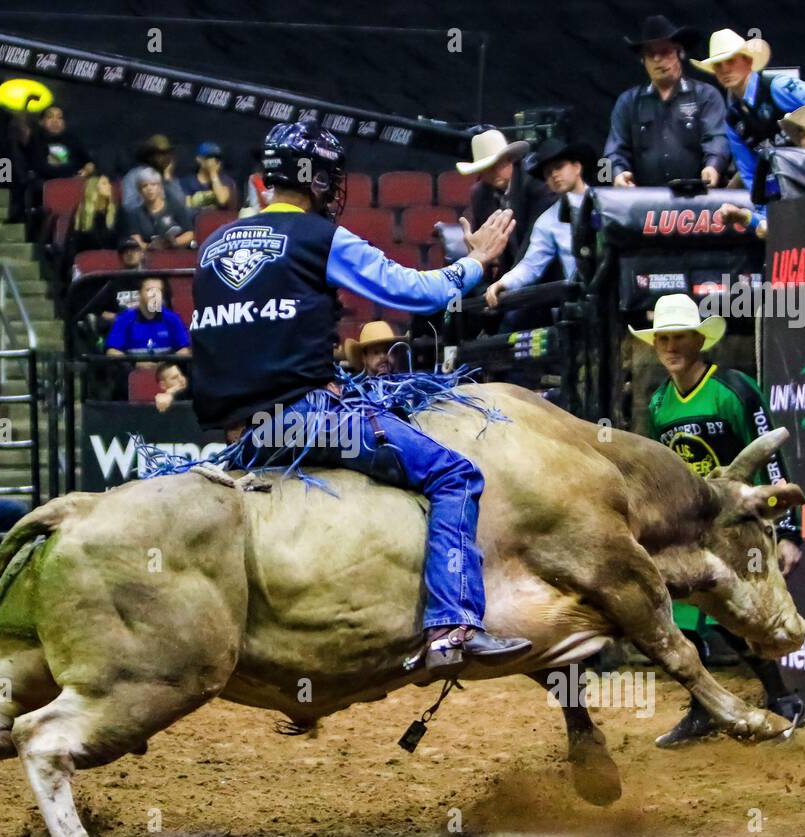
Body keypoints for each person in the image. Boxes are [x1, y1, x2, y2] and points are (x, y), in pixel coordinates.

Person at [190, 119, 530, 676]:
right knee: (456, 476)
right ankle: (451, 628)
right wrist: (475, 263)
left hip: (237, 437)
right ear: (318, 179)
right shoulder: (317, 237)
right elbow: (409, 289)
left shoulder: (213, 244)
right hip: (305, 420)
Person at [628, 294, 805, 745]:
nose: (670, 347)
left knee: (736, 616)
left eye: (679, 338)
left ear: (698, 340)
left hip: (738, 525)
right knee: (687, 620)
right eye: (663, 339)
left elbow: (769, 456)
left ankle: (782, 699)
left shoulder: (733, 389)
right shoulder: (660, 403)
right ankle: (706, 707)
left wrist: (786, 532)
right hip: (691, 530)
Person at [605, 15, 729, 188]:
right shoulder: (628, 102)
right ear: (643, 61)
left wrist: (713, 167)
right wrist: (618, 173)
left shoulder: (706, 95)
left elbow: (717, 138)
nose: (657, 59)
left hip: (698, 197)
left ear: (680, 53)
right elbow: (615, 148)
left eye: (664, 52)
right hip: (645, 201)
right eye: (650, 54)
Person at [690, 28, 805, 191]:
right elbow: (749, 171)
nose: (725, 69)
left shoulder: (776, 87)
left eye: (730, 61)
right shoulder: (732, 119)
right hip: (782, 193)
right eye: (718, 65)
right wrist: (762, 210)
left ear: (748, 61)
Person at [484, 138, 593, 307]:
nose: (554, 175)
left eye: (559, 167)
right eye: (548, 172)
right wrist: (504, 282)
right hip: (583, 302)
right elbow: (532, 264)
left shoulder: (608, 202)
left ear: (577, 167)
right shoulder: (547, 221)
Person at [456, 126, 540, 283]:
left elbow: (536, 242)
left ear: (510, 161)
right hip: (507, 273)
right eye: (487, 168)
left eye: (498, 165)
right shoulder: (480, 194)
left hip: (543, 273)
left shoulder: (533, 184)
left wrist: (510, 281)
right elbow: (483, 246)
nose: (493, 173)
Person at [104, 276, 191, 356]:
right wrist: (133, 363)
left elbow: (185, 350)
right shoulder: (124, 319)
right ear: (139, 294)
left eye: (158, 290)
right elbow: (112, 351)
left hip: (165, 369)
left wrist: (165, 365)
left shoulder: (173, 319)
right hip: (133, 370)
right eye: (149, 290)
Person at [125, 167, 194, 249]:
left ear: (160, 187)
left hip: (177, 253)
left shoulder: (175, 206)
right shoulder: (135, 213)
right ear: (140, 191)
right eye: (144, 186)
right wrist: (149, 246)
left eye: (153, 184)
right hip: (150, 256)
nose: (149, 189)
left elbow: (190, 234)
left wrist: (174, 243)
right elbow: (136, 240)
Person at [121, 133, 187, 210]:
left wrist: (168, 180)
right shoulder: (134, 176)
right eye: (160, 153)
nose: (165, 157)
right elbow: (128, 205)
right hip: (144, 220)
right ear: (150, 156)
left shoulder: (170, 178)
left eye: (167, 153)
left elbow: (180, 203)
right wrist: (150, 198)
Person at [68, 174, 122, 253]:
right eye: (104, 183)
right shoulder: (82, 212)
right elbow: (76, 241)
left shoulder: (117, 211)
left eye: (109, 183)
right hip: (87, 257)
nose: (110, 186)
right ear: (94, 188)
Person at [180, 142, 238, 211]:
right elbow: (187, 208)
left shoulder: (226, 180)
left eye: (218, 158)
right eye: (210, 157)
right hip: (198, 219)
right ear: (199, 159)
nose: (214, 161)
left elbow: (222, 200)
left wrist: (213, 173)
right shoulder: (188, 181)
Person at [342, 319, 410, 377]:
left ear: (395, 354)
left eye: (387, 351)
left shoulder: (406, 385)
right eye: (376, 352)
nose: (383, 356)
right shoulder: (356, 389)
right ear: (364, 357)